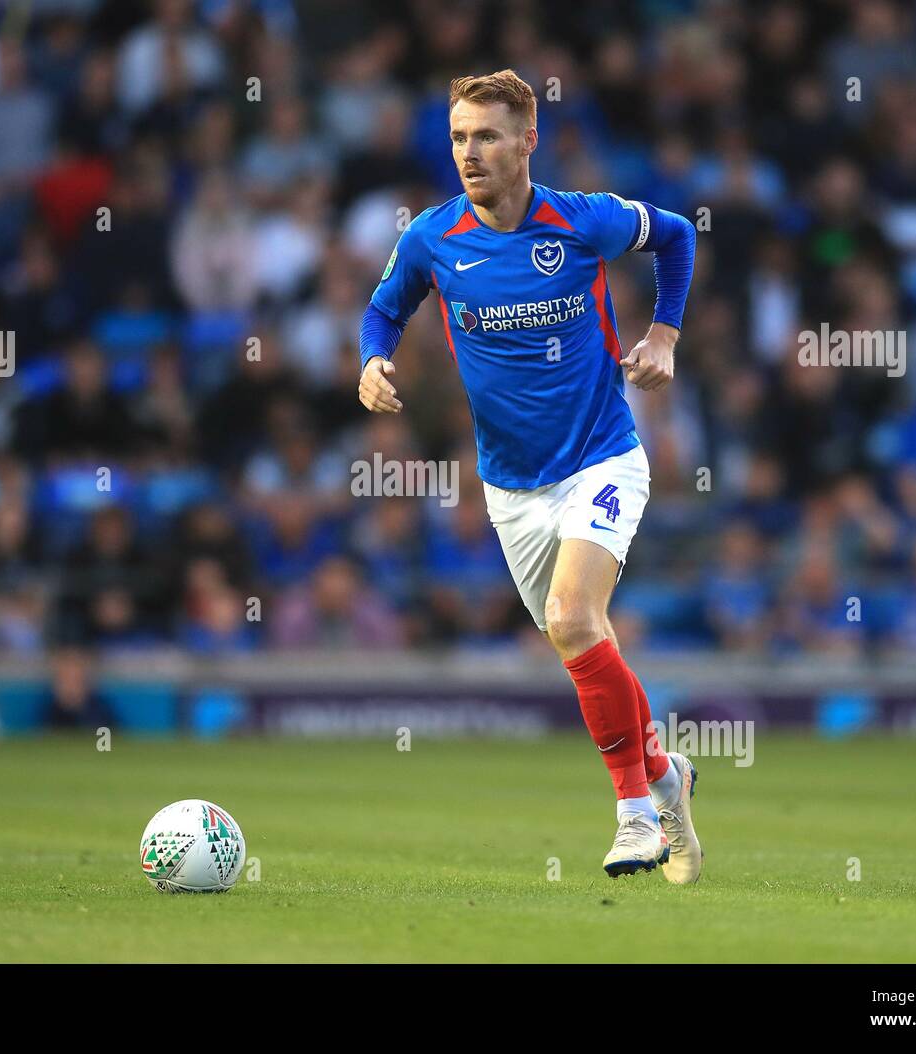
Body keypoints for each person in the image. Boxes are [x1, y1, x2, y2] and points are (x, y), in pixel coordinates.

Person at [357, 70, 700, 882]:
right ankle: (664, 773)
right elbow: (384, 309)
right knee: (580, 636)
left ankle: (634, 819)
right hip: (512, 488)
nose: (469, 153)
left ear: (525, 142)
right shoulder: (433, 238)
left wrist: (665, 335)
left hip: (603, 457)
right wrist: (372, 358)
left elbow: (678, 234)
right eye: (458, 137)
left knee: (573, 617)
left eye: (485, 136)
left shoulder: (581, 221)